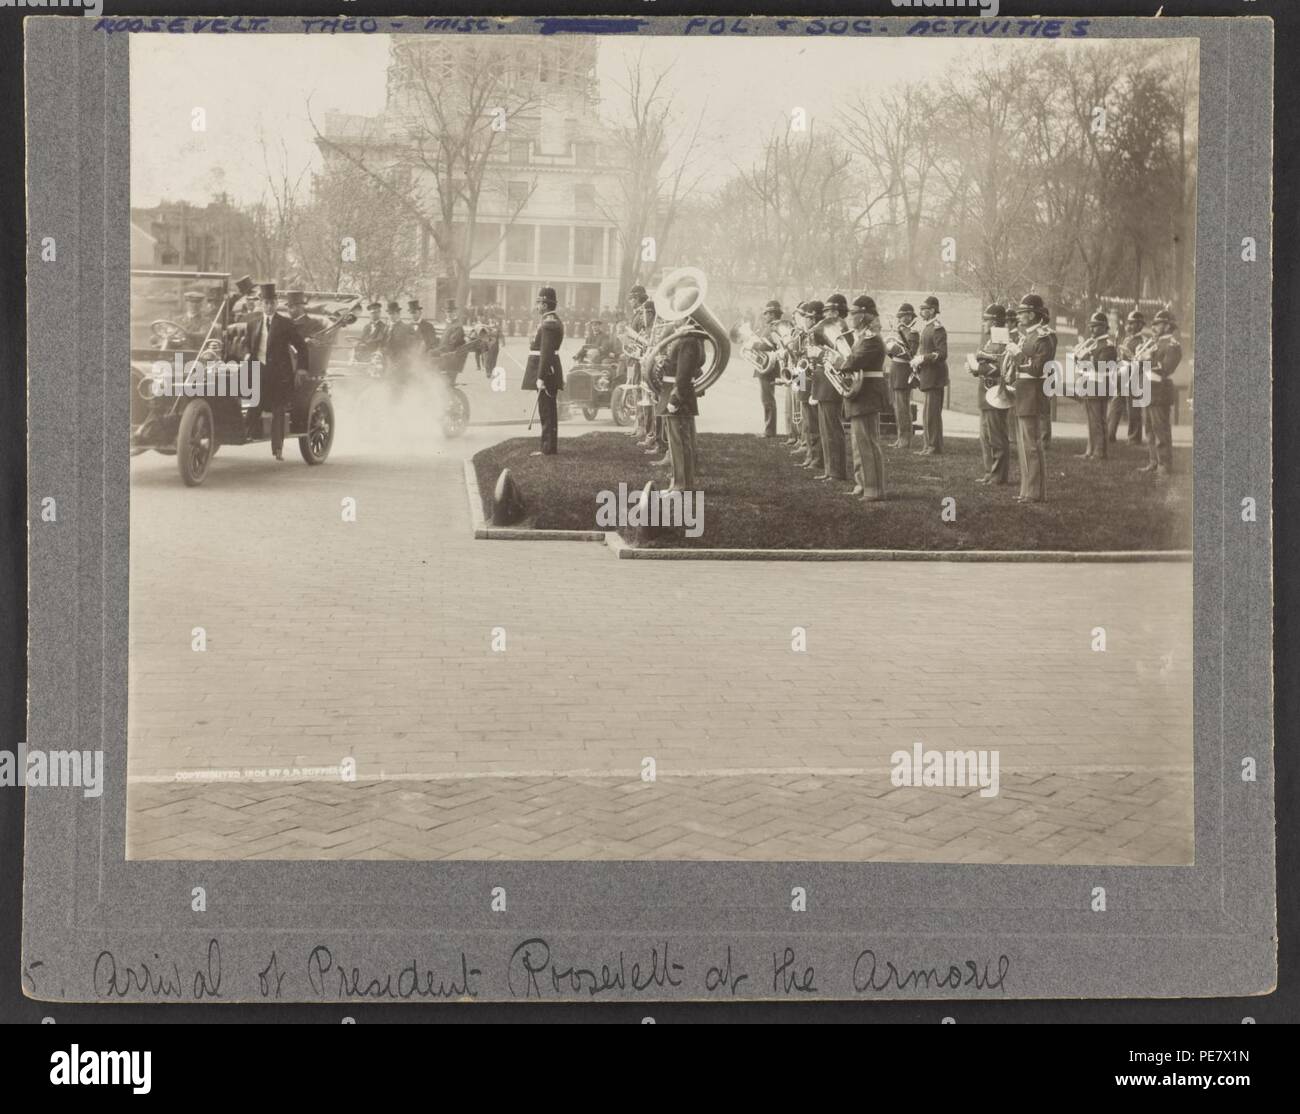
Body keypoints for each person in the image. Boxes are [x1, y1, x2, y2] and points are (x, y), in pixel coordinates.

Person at [243, 283, 308, 460]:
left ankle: (277, 448)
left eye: (272, 302)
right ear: (261, 303)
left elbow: (301, 347)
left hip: (280, 376)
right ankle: (244, 434)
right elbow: (248, 346)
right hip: (259, 373)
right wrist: (247, 355)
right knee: (254, 405)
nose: (269, 306)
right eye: (266, 302)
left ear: (277, 303)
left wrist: (301, 369)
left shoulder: (285, 324)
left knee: (278, 410)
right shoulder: (253, 324)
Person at [1008, 293, 1056, 503]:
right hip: (1024, 392)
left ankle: (1034, 491)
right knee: (1024, 445)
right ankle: (1027, 489)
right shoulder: (1029, 335)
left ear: (1035, 314)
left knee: (1031, 445)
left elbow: (1037, 369)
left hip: (1033, 393)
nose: (1020, 316)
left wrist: (1017, 354)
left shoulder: (1043, 336)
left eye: (1025, 312)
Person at [841, 295, 889, 501]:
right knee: (858, 444)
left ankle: (874, 489)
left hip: (867, 394)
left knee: (867, 443)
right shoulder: (863, 336)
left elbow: (854, 361)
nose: (851, 317)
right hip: (862, 394)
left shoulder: (871, 338)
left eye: (854, 313)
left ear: (864, 315)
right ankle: (862, 484)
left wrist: (834, 359)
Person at [1137, 308, 1181, 480]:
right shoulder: (1154, 343)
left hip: (1160, 390)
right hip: (1148, 389)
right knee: (1149, 429)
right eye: (1154, 324)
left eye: (1158, 324)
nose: (1154, 327)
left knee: (1160, 429)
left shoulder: (1172, 345)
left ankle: (1164, 464)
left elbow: (1166, 368)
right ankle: (1153, 461)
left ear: (1168, 326)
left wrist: (1147, 359)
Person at [971, 304, 1012, 485]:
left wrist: (978, 367)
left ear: (994, 322)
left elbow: (999, 368)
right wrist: (976, 369)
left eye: (986, 320)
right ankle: (990, 472)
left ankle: (998, 475)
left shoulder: (1002, 341)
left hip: (996, 393)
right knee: (986, 436)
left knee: (996, 436)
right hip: (987, 393)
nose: (983, 324)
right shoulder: (990, 341)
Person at [811, 294, 850, 483]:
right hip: (822, 382)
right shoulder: (824, 330)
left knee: (833, 429)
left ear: (840, 312)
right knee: (825, 430)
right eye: (825, 311)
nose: (827, 315)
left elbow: (843, 357)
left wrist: (821, 353)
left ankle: (837, 471)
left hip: (831, 384)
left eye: (832, 311)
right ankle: (829, 469)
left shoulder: (843, 331)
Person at [523, 286, 564, 455]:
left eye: (539, 303)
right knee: (547, 410)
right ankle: (548, 446)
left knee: (547, 411)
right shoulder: (550, 320)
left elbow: (546, 352)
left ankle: (548, 448)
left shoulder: (549, 323)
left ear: (546, 305)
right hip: (548, 370)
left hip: (547, 372)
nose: (537, 306)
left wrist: (540, 377)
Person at [1075, 310, 1117, 460]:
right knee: (1092, 420)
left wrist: (1085, 357)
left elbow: (1102, 366)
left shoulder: (1108, 345)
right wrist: (1078, 358)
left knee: (1098, 421)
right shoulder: (1095, 343)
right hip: (1091, 385)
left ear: (1104, 327)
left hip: (1099, 385)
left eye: (1096, 326)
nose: (1092, 329)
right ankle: (1090, 450)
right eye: (1091, 326)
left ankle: (1099, 452)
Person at [664, 328, 702, 490]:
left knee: (678, 442)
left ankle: (679, 485)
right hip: (679, 391)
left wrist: (675, 398)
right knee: (683, 441)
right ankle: (686, 483)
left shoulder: (688, 341)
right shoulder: (691, 340)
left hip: (677, 393)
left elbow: (684, 373)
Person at [912, 295, 948, 455]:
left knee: (932, 414)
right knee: (928, 413)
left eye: (924, 309)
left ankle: (933, 446)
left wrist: (922, 358)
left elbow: (942, 353)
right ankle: (929, 445)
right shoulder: (927, 327)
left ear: (933, 310)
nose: (921, 312)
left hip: (935, 376)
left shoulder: (937, 328)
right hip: (928, 374)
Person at [793, 300, 824, 474]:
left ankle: (816, 458)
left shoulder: (816, 333)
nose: (805, 320)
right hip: (802, 373)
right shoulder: (806, 333)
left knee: (812, 420)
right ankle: (810, 456)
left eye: (807, 317)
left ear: (814, 318)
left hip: (810, 376)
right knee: (805, 416)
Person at [1109, 310, 1147, 444]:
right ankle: (1109, 433)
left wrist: (1129, 355)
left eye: (1132, 323)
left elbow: (1142, 363)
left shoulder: (1141, 341)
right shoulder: (1126, 339)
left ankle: (1134, 437)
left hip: (1134, 376)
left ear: (1140, 325)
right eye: (1128, 323)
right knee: (1115, 404)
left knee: (1133, 408)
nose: (1128, 326)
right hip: (1122, 375)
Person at [888, 303, 920, 449]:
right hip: (896, 369)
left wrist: (894, 348)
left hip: (903, 370)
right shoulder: (900, 330)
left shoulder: (912, 332)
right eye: (899, 317)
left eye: (902, 317)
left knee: (903, 407)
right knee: (896, 407)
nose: (900, 319)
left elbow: (911, 353)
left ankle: (905, 439)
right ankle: (900, 437)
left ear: (909, 316)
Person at [754, 299, 783, 438]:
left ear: (772, 314)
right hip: (764, 366)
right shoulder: (770, 327)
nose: (764, 316)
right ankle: (769, 429)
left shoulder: (775, 327)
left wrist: (756, 345)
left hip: (768, 367)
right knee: (766, 398)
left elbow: (770, 345)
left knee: (767, 399)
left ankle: (770, 430)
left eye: (766, 313)